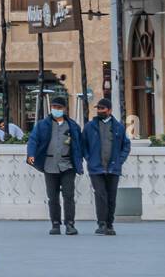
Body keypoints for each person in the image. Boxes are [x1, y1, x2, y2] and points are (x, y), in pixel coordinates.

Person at [27, 96, 83, 235]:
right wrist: (31, 154)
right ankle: (55, 224)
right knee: (53, 197)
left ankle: (70, 224)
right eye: (54, 107)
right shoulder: (42, 125)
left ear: (64, 109)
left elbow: (79, 144)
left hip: (67, 165)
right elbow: (33, 140)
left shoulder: (73, 126)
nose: (56, 110)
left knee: (68, 195)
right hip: (50, 165)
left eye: (59, 108)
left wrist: (81, 159)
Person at [83, 97, 132, 235]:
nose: (99, 111)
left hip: (113, 168)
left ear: (109, 110)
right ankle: (101, 223)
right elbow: (83, 145)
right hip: (96, 168)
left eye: (102, 108)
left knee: (111, 197)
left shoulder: (119, 127)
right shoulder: (89, 127)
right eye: (98, 108)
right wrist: (89, 159)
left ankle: (110, 224)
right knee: (100, 195)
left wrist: (120, 160)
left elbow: (126, 146)